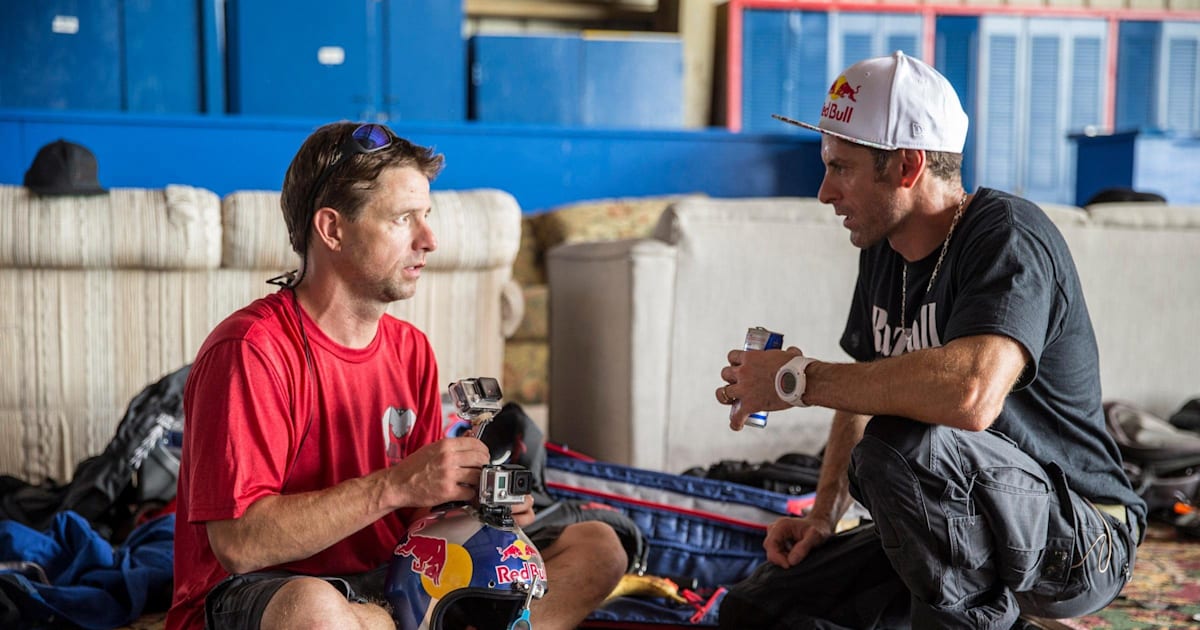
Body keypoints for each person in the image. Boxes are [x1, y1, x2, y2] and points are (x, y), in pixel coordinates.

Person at [715, 52, 1145, 627]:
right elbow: (862, 392)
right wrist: (824, 516)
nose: (824, 192)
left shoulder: (1008, 237)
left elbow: (970, 396)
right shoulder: (881, 250)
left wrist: (799, 380)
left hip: (1082, 535)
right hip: (964, 525)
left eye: (841, 168)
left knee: (901, 447)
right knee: (760, 611)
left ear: (907, 167)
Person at [167, 122, 626, 630]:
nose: (429, 240)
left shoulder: (412, 351)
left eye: (426, 216)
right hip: (271, 590)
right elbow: (240, 544)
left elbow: (418, 518)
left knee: (597, 546)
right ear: (332, 229)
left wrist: (477, 508)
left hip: (392, 580)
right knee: (315, 612)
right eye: (403, 219)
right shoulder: (252, 350)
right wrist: (397, 485)